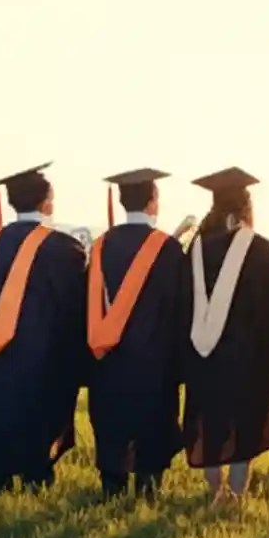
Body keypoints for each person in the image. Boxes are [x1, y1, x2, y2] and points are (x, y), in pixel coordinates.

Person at [0, 163, 88, 495]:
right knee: (40, 419)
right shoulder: (62, 249)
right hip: (43, 362)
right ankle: (37, 477)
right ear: (47, 202)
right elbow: (75, 310)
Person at [180, 167, 269, 503]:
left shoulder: (195, 248)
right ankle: (236, 493)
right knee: (245, 422)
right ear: (245, 206)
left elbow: (184, 303)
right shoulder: (260, 249)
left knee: (211, 422)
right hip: (247, 357)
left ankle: (215, 490)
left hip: (203, 354)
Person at [86, 168, 185, 501]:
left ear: (120, 200)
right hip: (153, 358)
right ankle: (148, 489)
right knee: (153, 424)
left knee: (111, 420)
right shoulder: (167, 248)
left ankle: (111, 488)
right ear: (153, 201)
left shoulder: (101, 246)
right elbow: (177, 305)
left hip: (107, 359)